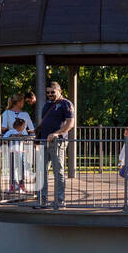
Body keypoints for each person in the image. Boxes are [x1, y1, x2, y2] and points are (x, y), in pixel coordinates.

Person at [34, 81, 74, 210]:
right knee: (41, 171)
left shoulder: (66, 104)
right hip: (44, 141)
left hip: (58, 142)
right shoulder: (47, 105)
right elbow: (43, 123)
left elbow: (70, 124)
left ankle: (60, 200)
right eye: (48, 92)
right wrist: (38, 139)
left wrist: (56, 134)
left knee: (58, 171)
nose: (50, 94)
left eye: (53, 92)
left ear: (59, 91)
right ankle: (42, 200)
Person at [0, 94, 34, 192]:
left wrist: (12, 131)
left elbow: (3, 127)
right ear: (19, 102)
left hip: (14, 141)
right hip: (22, 141)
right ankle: (19, 184)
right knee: (20, 164)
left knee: (14, 164)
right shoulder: (25, 114)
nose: (23, 103)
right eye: (22, 101)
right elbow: (31, 129)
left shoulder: (6, 113)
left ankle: (15, 184)